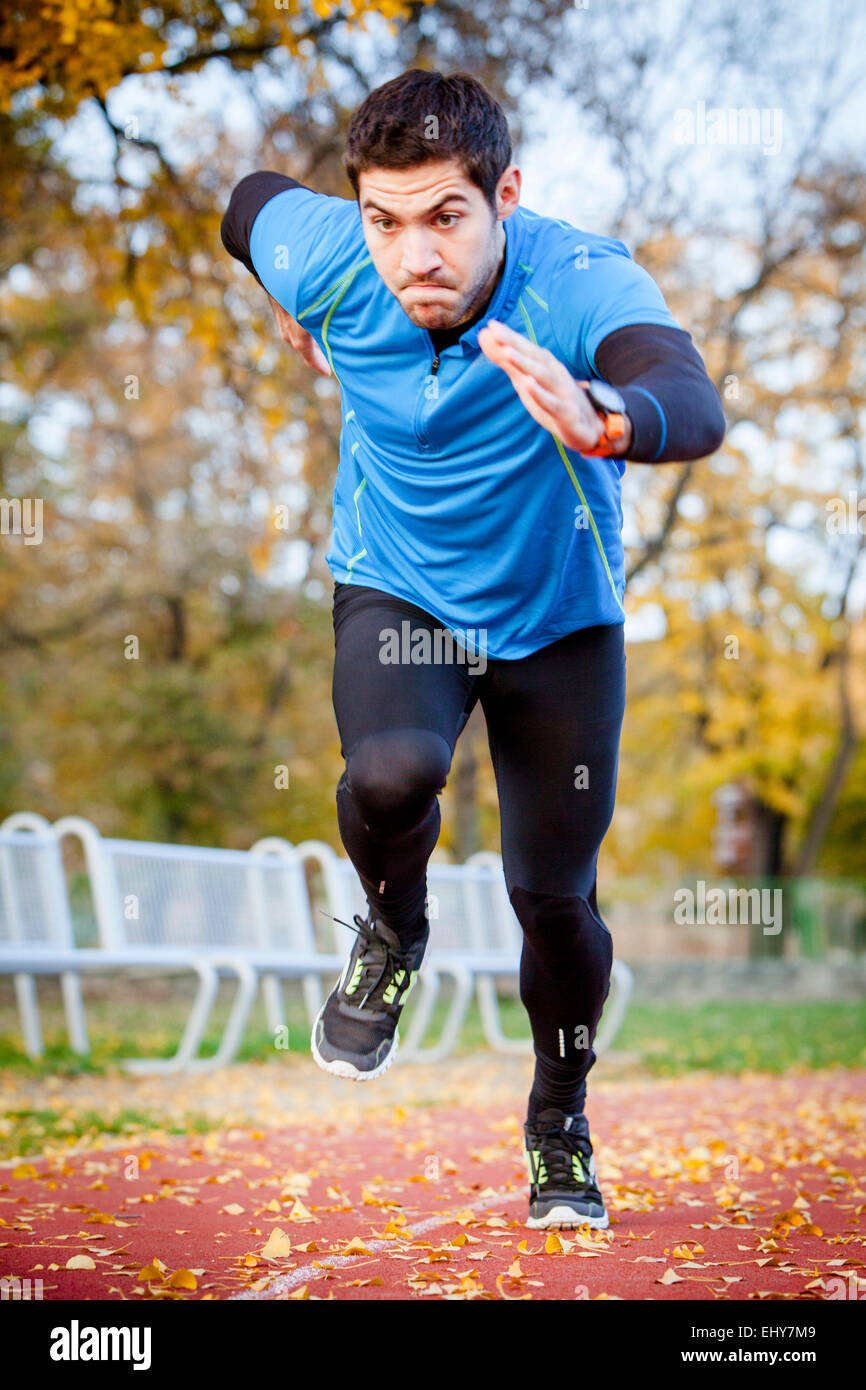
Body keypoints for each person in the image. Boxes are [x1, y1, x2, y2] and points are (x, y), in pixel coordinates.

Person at [220, 67, 726, 1229]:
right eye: (384, 222)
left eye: (446, 217)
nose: (414, 258)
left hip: (557, 618)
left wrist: (607, 416)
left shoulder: (576, 275)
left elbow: (686, 397)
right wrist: (286, 305)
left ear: (504, 194)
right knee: (389, 774)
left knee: (553, 901)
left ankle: (558, 1118)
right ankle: (393, 924)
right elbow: (243, 201)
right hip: (399, 588)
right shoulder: (331, 255)